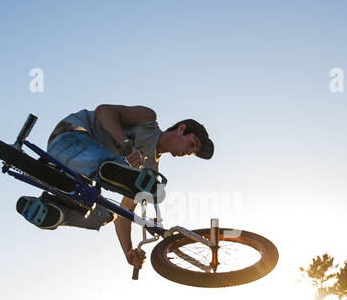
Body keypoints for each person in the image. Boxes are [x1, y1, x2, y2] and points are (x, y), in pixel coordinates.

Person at [16, 104, 214, 271]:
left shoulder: (149, 171)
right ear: (181, 128)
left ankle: (56, 212)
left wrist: (128, 251)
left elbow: (125, 213)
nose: (188, 152)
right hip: (71, 136)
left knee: (105, 214)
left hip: (73, 171)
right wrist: (125, 144)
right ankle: (111, 169)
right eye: (192, 144)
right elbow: (103, 111)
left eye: (193, 153)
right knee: (128, 173)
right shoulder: (148, 121)